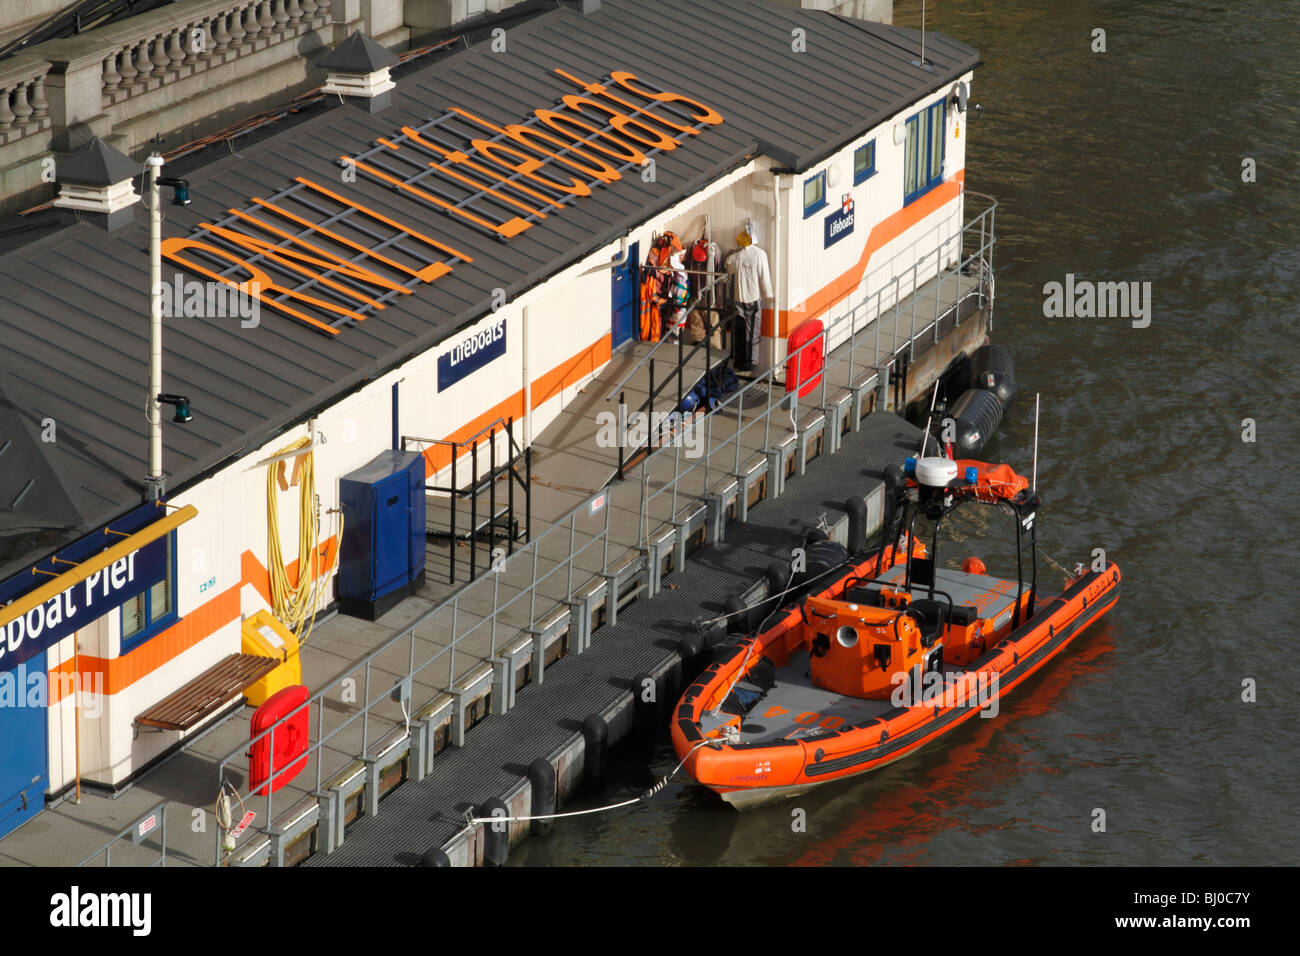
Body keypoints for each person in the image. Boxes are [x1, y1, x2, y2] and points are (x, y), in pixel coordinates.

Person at [725, 227, 772, 372]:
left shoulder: (733, 258)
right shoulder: (759, 254)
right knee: (753, 331)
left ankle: (738, 361)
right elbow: (764, 277)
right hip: (753, 298)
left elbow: (728, 271)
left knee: (738, 331)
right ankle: (752, 362)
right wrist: (768, 295)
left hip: (737, 298)